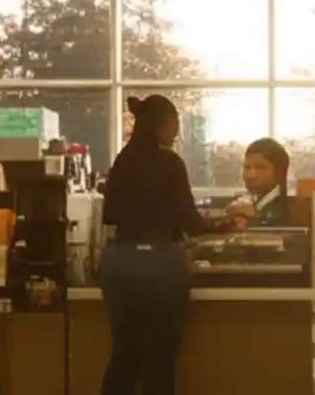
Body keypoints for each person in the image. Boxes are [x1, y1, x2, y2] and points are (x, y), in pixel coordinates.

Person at [98, 94, 230, 395]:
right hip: (159, 266)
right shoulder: (170, 163)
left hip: (119, 262)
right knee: (160, 359)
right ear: (161, 126)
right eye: (175, 123)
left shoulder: (122, 161)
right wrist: (222, 221)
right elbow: (191, 223)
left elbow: (111, 215)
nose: (178, 130)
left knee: (124, 357)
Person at [225, 137, 291, 227]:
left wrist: (253, 219)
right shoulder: (244, 202)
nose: (250, 175)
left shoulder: (289, 210)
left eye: (261, 167)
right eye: (247, 167)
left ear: (279, 172)